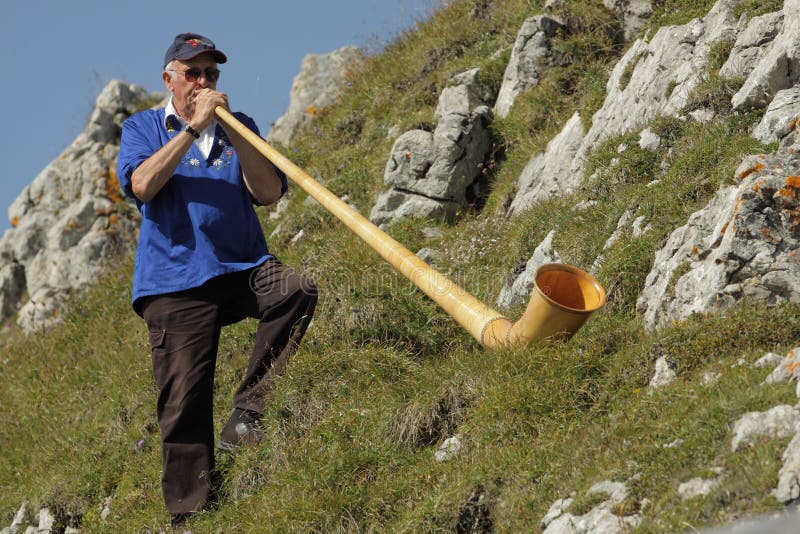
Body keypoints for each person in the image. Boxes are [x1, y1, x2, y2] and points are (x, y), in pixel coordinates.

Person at [117, 32, 317, 527]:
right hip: (174, 282)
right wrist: (191, 129)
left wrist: (235, 135)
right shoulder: (143, 127)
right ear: (170, 79)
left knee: (296, 290)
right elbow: (141, 184)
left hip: (243, 268)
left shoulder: (240, 127)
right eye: (193, 73)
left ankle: (249, 416)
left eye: (211, 74)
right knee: (184, 401)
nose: (203, 82)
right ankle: (190, 514)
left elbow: (268, 192)